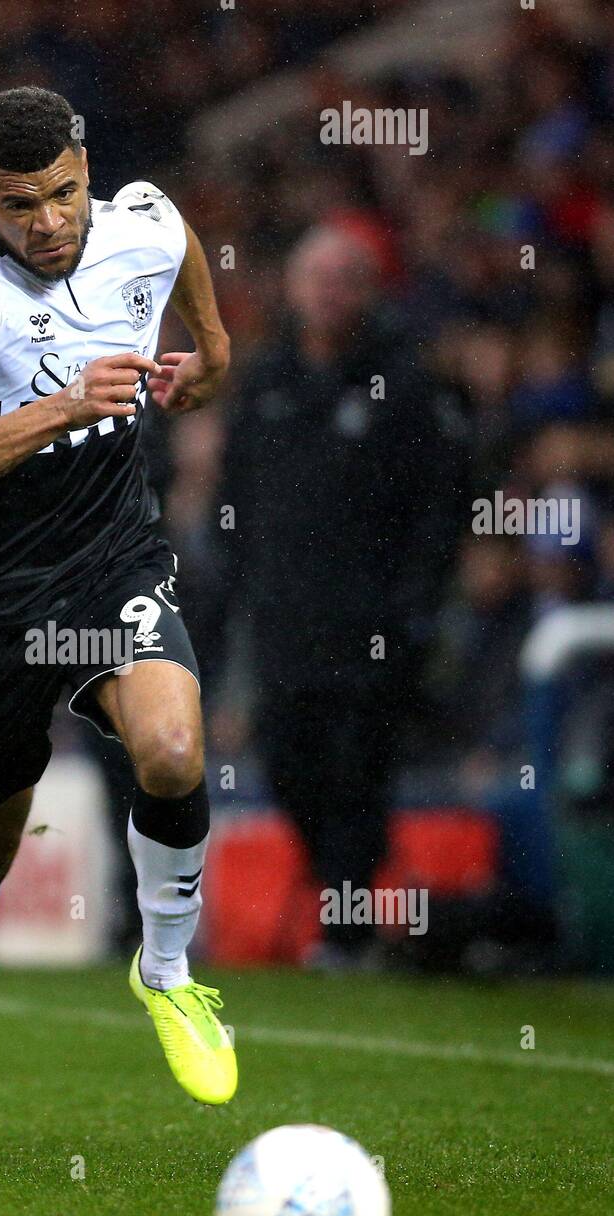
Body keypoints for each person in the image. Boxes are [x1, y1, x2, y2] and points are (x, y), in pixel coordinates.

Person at [0, 86, 234, 1129]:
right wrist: (61, 406)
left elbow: (190, 291)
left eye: (62, 194)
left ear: (85, 168)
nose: (47, 222)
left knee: (171, 751)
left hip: (111, 565)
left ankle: (166, 971)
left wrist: (203, 363)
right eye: (19, 205)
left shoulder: (141, 224)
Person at [212, 226, 468, 966]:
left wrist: (415, 609)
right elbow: (233, 498)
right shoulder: (264, 383)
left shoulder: (408, 386)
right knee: (287, 762)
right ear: (293, 288)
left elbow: (440, 507)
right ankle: (346, 892)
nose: (329, 293)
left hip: (372, 626)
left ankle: (348, 932)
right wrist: (235, 589)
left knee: (358, 770)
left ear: (369, 290)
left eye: (345, 278)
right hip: (282, 621)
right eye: (316, 277)